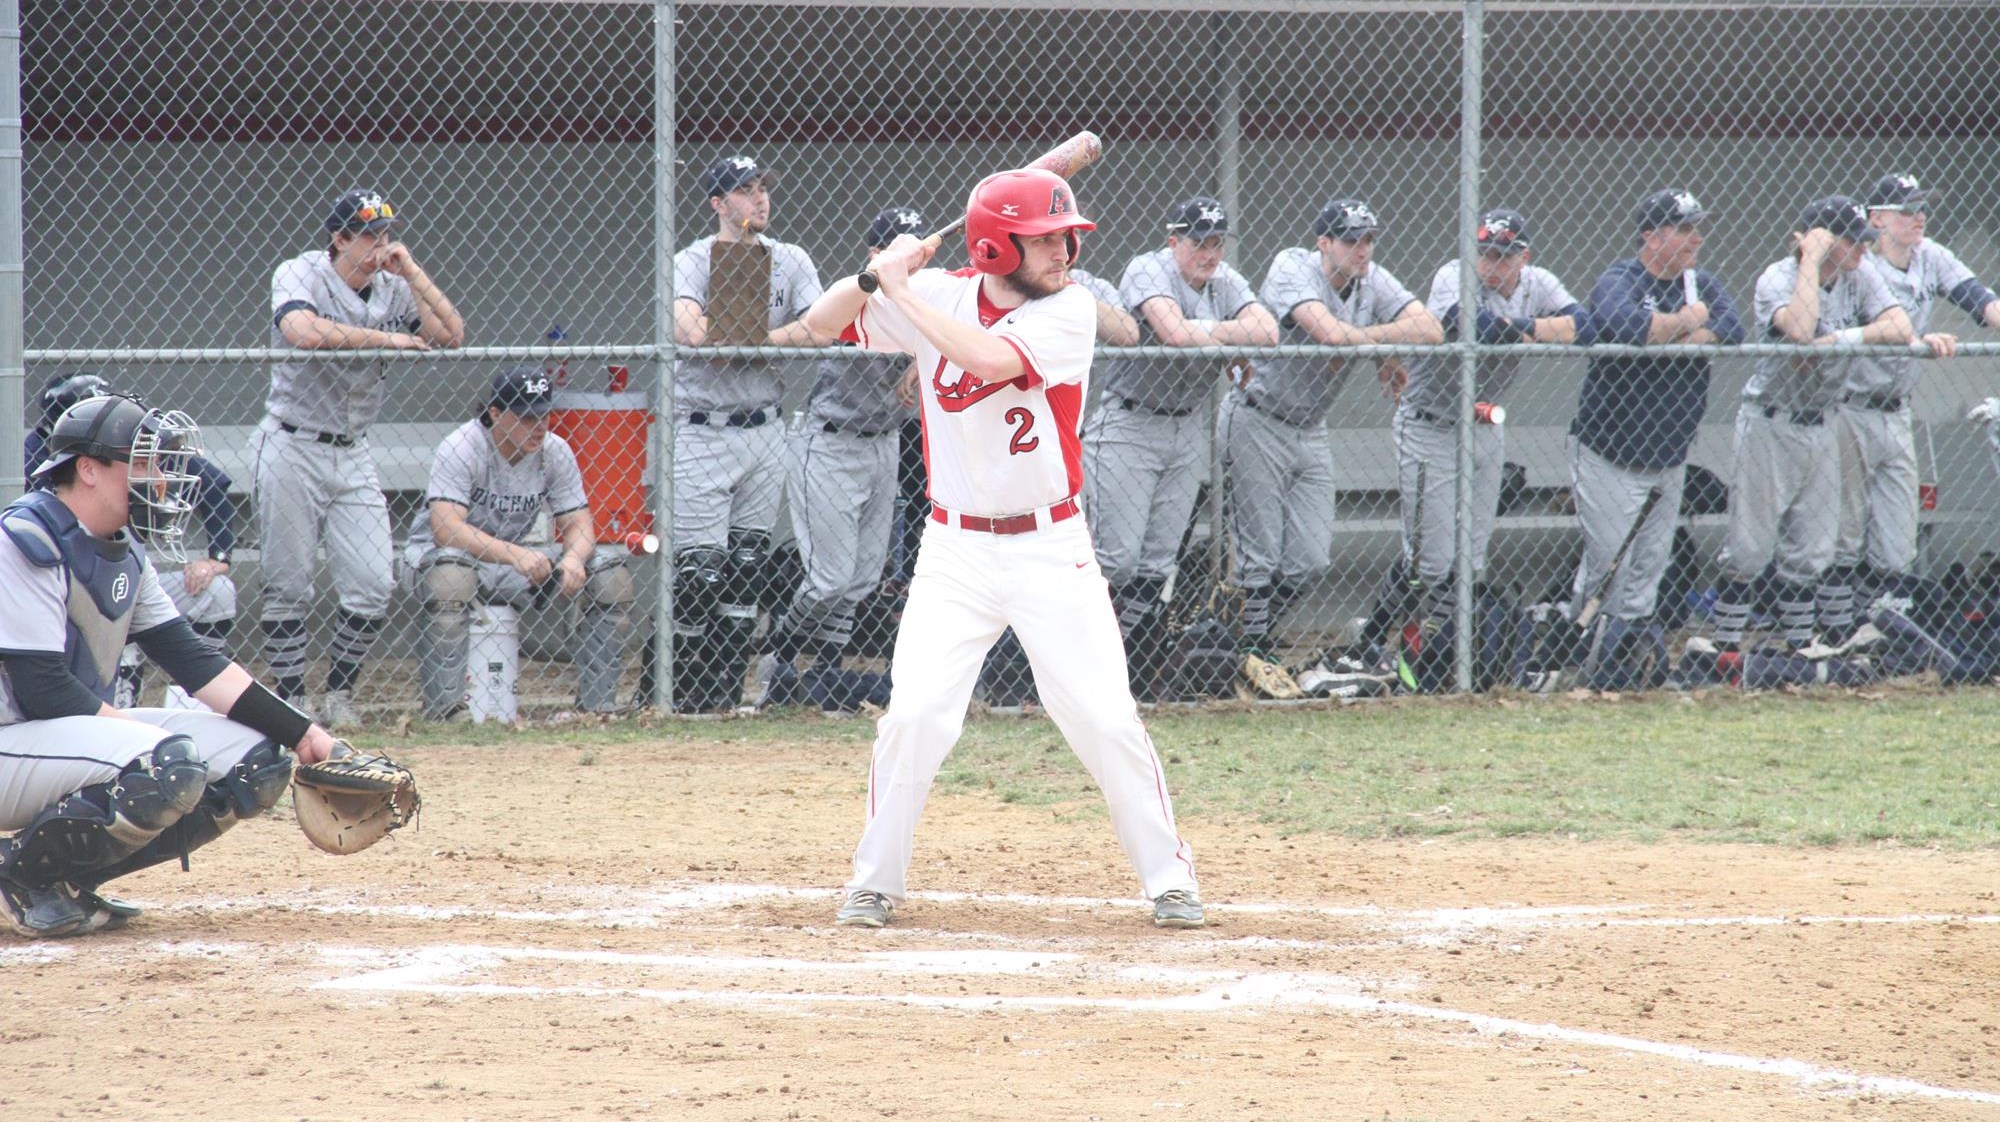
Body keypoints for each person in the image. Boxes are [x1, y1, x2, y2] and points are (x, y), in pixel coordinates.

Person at [799, 167, 1203, 930]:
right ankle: (874, 881)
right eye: (1044, 240)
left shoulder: (1072, 311)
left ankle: (1169, 879)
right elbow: (822, 322)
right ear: (993, 248)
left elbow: (987, 360)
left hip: (1050, 546)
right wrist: (878, 276)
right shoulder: (941, 292)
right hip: (953, 551)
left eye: (1066, 237)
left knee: (1104, 718)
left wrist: (907, 295)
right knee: (913, 716)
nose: (1063, 252)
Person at [0, 394, 338, 938]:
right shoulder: (24, 540)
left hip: (52, 740)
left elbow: (192, 660)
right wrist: (158, 748)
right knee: (169, 765)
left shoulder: (122, 549)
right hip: (12, 741)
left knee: (258, 761)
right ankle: (19, 874)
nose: (157, 478)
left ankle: (55, 876)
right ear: (87, 469)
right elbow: (43, 691)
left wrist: (305, 735)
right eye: (140, 462)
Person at [256, 188, 464, 727]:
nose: (379, 244)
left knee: (374, 581)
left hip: (353, 449)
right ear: (339, 237)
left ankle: (339, 694)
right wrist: (383, 341)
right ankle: (293, 698)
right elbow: (299, 330)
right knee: (289, 580)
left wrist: (413, 272)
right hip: (293, 441)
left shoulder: (393, 287)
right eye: (368, 234)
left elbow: (451, 334)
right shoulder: (301, 271)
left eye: (385, 233)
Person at [1359, 209, 1586, 676]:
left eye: (1503, 255)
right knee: (1430, 560)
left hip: (1484, 427)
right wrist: (1536, 331)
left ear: (1524, 257)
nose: (1491, 264)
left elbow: (1584, 324)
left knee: (1471, 558)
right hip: (1430, 423)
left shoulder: (1536, 282)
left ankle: (1426, 651)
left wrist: (1523, 328)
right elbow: (1469, 325)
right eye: (1486, 253)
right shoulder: (1455, 273)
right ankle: (1365, 639)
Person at [1083, 197, 1276, 696]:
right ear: (1175, 242)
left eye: (1216, 242)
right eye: (1198, 242)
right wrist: (1230, 338)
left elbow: (1269, 331)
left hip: (1188, 427)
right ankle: (1072, 658)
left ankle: (1112, 666)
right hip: (1131, 422)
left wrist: (1206, 334)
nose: (1209, 253)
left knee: (1157, 560)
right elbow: (1171, 332)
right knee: (1115, 559)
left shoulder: (1225, 279)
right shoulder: (1149, 268)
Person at [1232, 198, 1442, 657]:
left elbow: (1430, 328)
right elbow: (1329, 334)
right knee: (1259, 555)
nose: (1362, 249)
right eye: (1350, 239)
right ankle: (1246, 648)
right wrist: (1382, 343)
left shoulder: (1371, 279)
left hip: (1311, 426)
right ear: (1323, 243)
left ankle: (1249, 637)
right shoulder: (1292, 265)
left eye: (1367, 239)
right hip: (1259, 415)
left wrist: (1371, 345)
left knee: (1309, 558)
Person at [1712, 197, 1909, 657]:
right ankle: (1725, 650)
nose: (1863, 248)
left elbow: (1899, 325)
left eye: (1864, 238)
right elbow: (1800, 329)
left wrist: (1842, 337)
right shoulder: (1777, 277)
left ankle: (1800, 648)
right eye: (1850, 239)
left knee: (1813, 550)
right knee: (1749, 549)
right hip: (1771, 421)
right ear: (1821, 240)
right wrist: (1811, 262)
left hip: (1824, 420)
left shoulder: (1859, 275)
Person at [1566, 189, 1744, 687]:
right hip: (1607, 449)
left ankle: (1622, 668)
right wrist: (1687, 323)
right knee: (1608, 565)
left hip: (1668, 453)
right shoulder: (1619, 278)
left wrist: (1678, 335)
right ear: (1651, 235)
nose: (1696, 238)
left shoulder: (1701, 282)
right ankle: (1579, 656)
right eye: (1684, 228)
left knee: (1649, 565)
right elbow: (1626, 325)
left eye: (1695, 227)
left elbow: (1732, 327)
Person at [667, 155, 824, 712]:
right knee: (699, 575)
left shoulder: (790, 259)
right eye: (743, 190)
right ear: (717, 204)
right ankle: (677, 700)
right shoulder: (692, 259)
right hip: (703, 430)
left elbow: (821, 328)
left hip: (764, 427)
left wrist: (753, 343)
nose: (758, 198)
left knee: (747, 571)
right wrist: (749, 338)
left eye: (761, 187)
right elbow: (687, 329)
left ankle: (723, 701)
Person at [758, 206, 926, 709]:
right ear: (876, 253)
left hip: (883, 443)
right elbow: (817, 328)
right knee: (829, 578)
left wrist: (919, 361)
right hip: (829, 441)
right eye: (896, 247)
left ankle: (825, 677)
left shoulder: (926, 299)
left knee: (862, 579)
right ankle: (778, 656)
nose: (908, 257)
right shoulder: (855, 293)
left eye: (913, 247)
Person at [403, 367, 634, 721]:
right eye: (526, 417)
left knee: (608, 573)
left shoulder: (554, 450)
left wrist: (573, 558)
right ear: (495, 413)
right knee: (452, 576)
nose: (538, 425)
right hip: (437, 559)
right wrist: (516, 555)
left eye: (543, 414)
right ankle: (446, 714)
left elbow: (580, 524)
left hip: (509, 561)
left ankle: (597, 708)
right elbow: (446, 530)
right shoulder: (462, 445)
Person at [1826, 173, 2000, 631]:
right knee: (1844, 533)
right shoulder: (1861, 264)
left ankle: (1868, 629)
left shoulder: (1930, 254)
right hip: (1850, 407)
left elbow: (1978, 298)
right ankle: (1836, 630)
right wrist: (1920, 340)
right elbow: (1881, 326)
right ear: (1877, 219)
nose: (1919, 217)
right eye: (1907, 210)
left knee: (1897, 543)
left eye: (1923, 208)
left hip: (1897, 409)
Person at [25, 373, 240, 710]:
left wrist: (217, 557)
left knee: (217, 592)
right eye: (141, 463)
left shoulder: (132, 451)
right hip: (63, 605)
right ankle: (122, 707)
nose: (156, 475)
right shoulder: (32, 473)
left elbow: (210, 484)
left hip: (135, 582)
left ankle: (188, 703)